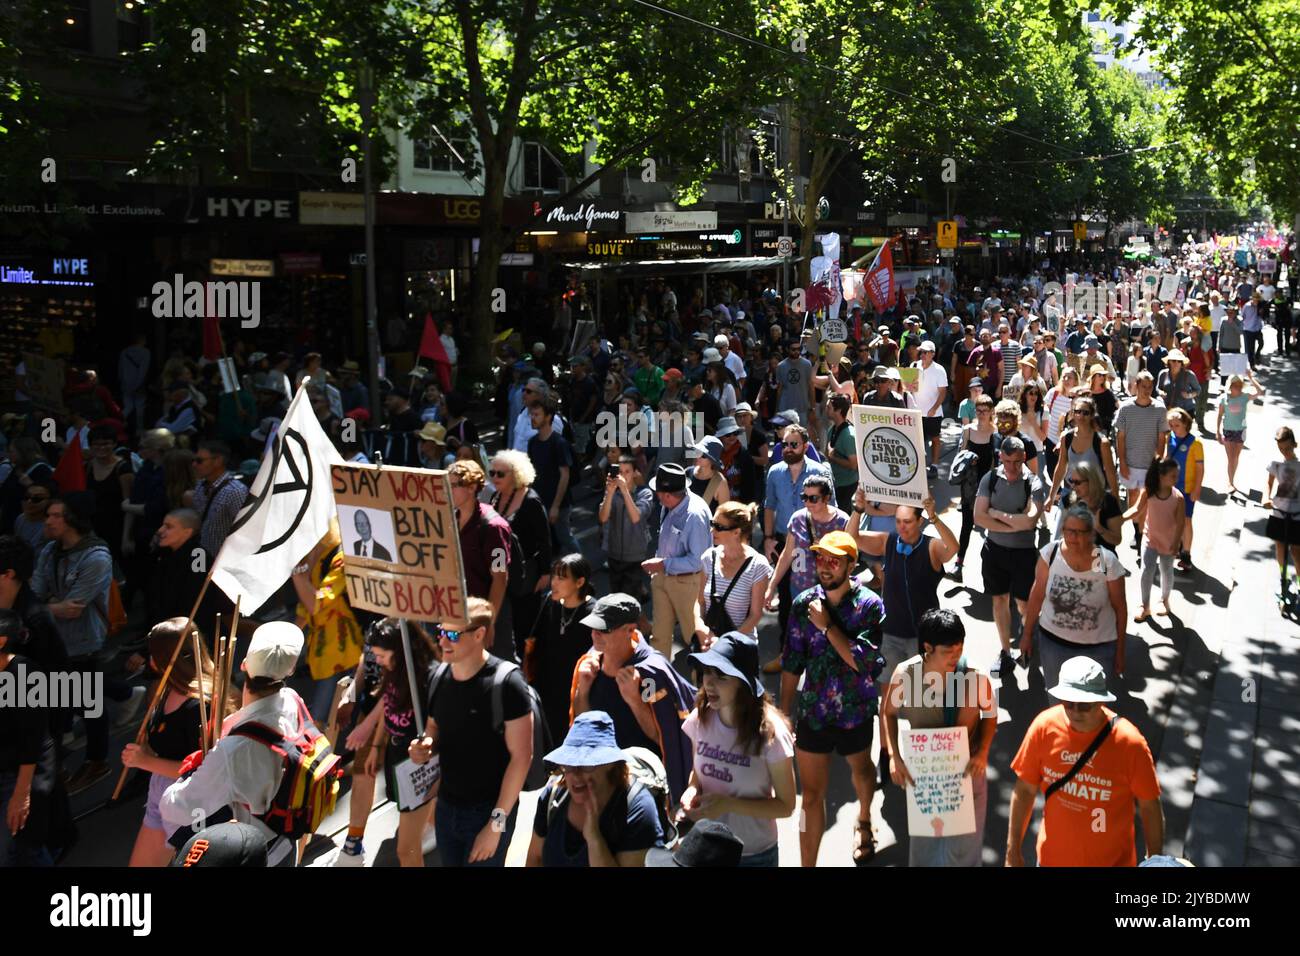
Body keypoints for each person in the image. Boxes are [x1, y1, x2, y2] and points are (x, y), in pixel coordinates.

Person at [159, 622, 317, 867]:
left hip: (250, 856)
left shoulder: (233, 750)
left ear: (244, 664)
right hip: (286, 844)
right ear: (291, 669)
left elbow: (177, 807)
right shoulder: (293, 701)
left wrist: (185, 778)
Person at [780, 531, 886, 866]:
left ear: (850, 564)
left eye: (834, 561)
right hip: (814, 713)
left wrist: (826, 626)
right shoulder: (802, 605)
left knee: (863, 772)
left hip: (855, 711)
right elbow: (792, 662)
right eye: (821, 559)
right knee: (810, 797)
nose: (825, 567)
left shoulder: (870, 605)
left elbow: (862, 662)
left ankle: (865, 819)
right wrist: (784, 714)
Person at [407, 597, 533, 866]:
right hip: (447, 808)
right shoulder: (438, 676)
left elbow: (522, 759)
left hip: (487, 812)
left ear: (479, 634)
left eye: (452, 634)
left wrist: (495, 827)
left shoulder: (507, 684)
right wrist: (425, 747)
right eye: (441, 632)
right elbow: (433, 728)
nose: (442, 642)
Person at [1007, 657, 1163, 867]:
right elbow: (1024, 790)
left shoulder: (1130, 743)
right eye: (1068, 703)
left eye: (1084, 705)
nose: (1075, 712)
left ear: (1101, 701)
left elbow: (1150, 806)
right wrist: (1012, 852)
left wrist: (1155, 861)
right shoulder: (1044, 727)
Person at [879, 609, 996, 867]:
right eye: (947, 652)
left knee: (965, 850)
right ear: (927, 647)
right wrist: (894, 758)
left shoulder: (976, 677)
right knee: (925, 847)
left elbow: (990, 715)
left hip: (968, 771)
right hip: (926, 775)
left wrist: (983, 752)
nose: (956, 656)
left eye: (959, 648)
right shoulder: (905, 674)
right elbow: (888, 713)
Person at [121, 618, 237, 867]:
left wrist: (145, 760)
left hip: (191, 801)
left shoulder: (200, 705)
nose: (148, 660)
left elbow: (202, 769)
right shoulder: (166, 688)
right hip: (159, 792)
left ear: (166, 659)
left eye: (152, 653)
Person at [679, 633, 796, 866]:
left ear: (743, 683)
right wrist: (692, 790)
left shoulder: (772, 733)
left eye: (721, 676)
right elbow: (698, 773)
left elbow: (786, 806)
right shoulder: (700, 718)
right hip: (707, 848)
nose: (709, 683)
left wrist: (729, 804)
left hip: (754, 855)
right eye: (707, 673)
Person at [31, 493, 120, 793]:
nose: (48, 520)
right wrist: (51, 606)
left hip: (82, 644)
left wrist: (47, 606)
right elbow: (35, 593)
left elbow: (73, 608)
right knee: (58, 703)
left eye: (56, 515)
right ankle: (58, 761)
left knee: (90, 705)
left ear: (72, 521)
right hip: (53, 643)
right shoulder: (49, 551)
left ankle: (97, 761)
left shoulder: (95, 557)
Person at [570, 593, 697, 801]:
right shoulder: (591, 661)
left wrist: (634, 700)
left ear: (630, 630)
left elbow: (662, 736)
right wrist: (582, 691)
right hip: (600, 777)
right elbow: (583, 725)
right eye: (594, 627)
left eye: (604, 629)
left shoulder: (649, 676)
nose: (595, 635)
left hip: (641, 783)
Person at [525, 710, 666, 867]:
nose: (576, 774)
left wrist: (594, 838)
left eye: (587, 765)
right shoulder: (551, 797)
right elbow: (534, 858)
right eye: (569, 763)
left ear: (611, 764)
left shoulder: (638, 809)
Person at [854, 492, 959, 690]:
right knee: (888, 694)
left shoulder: (931, 546)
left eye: (908, 522)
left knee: (922, 696)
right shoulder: (890, 541)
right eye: (898, 521)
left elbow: (953, 548)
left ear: (920, 521)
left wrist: (934, 517)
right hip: (891, 633)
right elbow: (852, 537)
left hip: (921, 637)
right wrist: (858, 509)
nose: (901, 527)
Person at [358, 618, 438, 867]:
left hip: (418, 763)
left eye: (382, 655)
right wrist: (376, 747)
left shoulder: (429, 678)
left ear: (401, 651)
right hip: (397, 756)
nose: (378, 661)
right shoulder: (394, 671)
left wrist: (427, 746)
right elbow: (388, 707)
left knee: (406, 850)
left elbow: (438, 727)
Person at [1021, 505, 1128, 688]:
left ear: (1091, 534)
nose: (1073, 537)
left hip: (1098, 649)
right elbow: (1037, 596)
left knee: (1091, 710)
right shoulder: (1050, 554)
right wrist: (1027, 634)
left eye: (1079, 532)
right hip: (1053, 645)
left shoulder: (1105, 561)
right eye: (1069, 531)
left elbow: (1120, 609)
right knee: (1058, 702)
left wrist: (1119, 651)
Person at [975, 436, 1046, 675]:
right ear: (1000, 458)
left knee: (1024, 604)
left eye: (1016, 462)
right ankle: (1006, 652)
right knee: (999, 601)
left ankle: (1026, 644)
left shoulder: (1033, 483)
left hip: (1024, 554)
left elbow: (1031, 520)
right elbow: (978, 516)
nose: (1011, 467)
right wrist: (1014, 524)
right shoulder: (990, 478)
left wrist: (996, 514)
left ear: (1024, 458)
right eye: (1006, 461)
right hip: (995, 551)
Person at [762, 425, 832, 667]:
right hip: (784, 540)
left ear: (805, 446)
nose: (788, 448)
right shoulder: (774, 472)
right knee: (786, 598)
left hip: (815, 545)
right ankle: (787, 652)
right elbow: (769, 506)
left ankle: (818, 651)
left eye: (793, 444)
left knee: (818, 597)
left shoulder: (820, 472)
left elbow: (830, 508)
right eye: (784, 444)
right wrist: (768, 537)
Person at [0, 607, 58, 866]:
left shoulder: (23, 675)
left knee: (23, 849)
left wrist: (21, 795)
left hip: (19, 776)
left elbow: (31, 740)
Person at [291, 520, 364, 724]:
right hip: (321, 649)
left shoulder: (342, 555)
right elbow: (306, 608)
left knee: (322, 716)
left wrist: (297, 577)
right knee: (329, 714)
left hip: (344, 650)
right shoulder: (311, 550)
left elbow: (315, 603)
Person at [642, 462, 711, 660]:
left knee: (695, 637)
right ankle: (659, 682)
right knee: (659, 636)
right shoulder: (670, 505)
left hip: (687, 584)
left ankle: (702, 686)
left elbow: (698, 561)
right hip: (663, 577)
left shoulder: (694, 516)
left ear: (667, 495)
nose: (657, 496)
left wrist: (662, 564)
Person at [488, 449, 553, 658]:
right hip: (502, 573)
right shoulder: (495, 497)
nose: (495, 477)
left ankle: (529, 667)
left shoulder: (531, 500)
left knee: (526, 626)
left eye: (500, 474)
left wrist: (545, 573)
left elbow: (544, 538)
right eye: (492, 472)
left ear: (515, 474)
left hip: (527, 575)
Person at [523, 553, 595, 738]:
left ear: (579, 582)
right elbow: (534, 640)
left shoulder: (593, 613)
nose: (554, 582)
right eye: (553, 576)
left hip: (574, 690)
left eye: (561, 578)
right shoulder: (550, 602)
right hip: (546, 686)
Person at [449, 460, 514, 660]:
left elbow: (500, 578)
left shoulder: (494, 527)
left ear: (471, 488)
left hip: (488, 615)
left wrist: (489, 622)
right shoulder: (451, 518)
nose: (447, 490)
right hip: (461, 614)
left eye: (453, 486)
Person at [696, 502, 772, 649]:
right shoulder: (708, 557)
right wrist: (701, 628)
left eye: (718, 527)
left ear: (736, 532)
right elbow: (700, 602)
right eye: (712, 523)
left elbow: (755, 615)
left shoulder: (758, 565)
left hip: (739, 647)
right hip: (707, 645)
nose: (712, 530)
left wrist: (725, 643)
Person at [1124, 458, 1184, 622]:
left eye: (1176, 476)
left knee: (1166, 571)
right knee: (1146, 571)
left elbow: (1180, 524)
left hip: (1168, 542)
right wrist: (1120, 519)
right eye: (1172, 476)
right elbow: (1136, 509)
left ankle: (1164, 600)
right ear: (1161, 476)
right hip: (1150, 539)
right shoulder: (1148, 491)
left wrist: (1177, 543)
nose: (1176, 479)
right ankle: (1145, 605)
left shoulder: (1178, 498)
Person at [1114, 372, 1169, 548]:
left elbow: (1162, 439)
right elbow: (1120, 437)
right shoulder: (1125, 408)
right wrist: (1122, 462)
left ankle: (1142, 532)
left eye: (1150, 387)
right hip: (1130, 462)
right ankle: (1137, 531)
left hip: (1150, 464)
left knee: (1146, 500)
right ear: (1136, 385)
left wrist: (1158, 464)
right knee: (1133, 496)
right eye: (1143, 386)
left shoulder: (1160, 409)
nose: (1147, 390)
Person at [599, 453, 653, 616]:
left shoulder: (644, 493)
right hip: (614, 555)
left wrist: (624, 490)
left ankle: (633, 632)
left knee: (627, 604)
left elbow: (636, 516)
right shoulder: (612, 493)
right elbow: (603, 517)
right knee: (618, 599)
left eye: (627, 471)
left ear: (636, 473)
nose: (622, 476)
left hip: (634, 558)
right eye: (619, 471)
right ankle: (642, 624)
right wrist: (609, 492)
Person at [1046, 396, 1119, 509]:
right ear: (1073, 413)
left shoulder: (1102, 442)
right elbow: (1061, 467)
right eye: (1077, 412)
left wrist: (1115, 499)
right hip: (1070, 492)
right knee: (1060, 526)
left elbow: (1110, 472)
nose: (1081, 416)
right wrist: (1051, 497)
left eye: (1085, 413)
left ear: (1092, 415)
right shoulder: (1067, 437)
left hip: (1094, 496)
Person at [954, 393, 996, 578]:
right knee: (966, 524)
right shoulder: (968, 430)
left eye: (985, 411)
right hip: (969, 485)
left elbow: (996, 462)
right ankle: (959, 563)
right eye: (978, 410)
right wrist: (966, 461)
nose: (981, 414)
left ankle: (992, 567)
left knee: (991, 526)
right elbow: (960, 456)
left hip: (988, 485)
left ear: (991, 412)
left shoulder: (995, 433)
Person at [191, 440, 248, 557]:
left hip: (220, 560)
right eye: (194, 460)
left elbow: (245, 530)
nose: (194, 465)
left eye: (199, 461)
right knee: (196, 574)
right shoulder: (200, 485)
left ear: (218, 461)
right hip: (199, 556)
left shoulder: (235, 491)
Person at [1265, 426, 1300, 602]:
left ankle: (1299, 583)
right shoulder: (1275, 464)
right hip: (1279, 512)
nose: (1284, 452)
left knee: (1296, 551)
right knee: (1280, 547)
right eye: (1281, 449)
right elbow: (1269, 482)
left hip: (1296, 515)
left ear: (1294, 445)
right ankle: (1283, 579)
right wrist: (1266, 497)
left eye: (1287, 448)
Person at [1165, 408, 1203, 571]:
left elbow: (1200, 469)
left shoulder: (1195, 444)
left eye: (1177, 425)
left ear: (1186, 423)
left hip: (1187, 489)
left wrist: (1196, 489)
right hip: (1171, 488)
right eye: (1171, 425)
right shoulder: (1169, 438)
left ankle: (1186, 553)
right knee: (1172, 520)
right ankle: (1176, 548)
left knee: (1186, 520)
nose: (1174, 428)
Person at [1216, 374, 1264, 496]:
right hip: (1228, 431)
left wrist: (1251, 377)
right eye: (1235, 385)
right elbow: (1220, 415)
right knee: (1230, 458)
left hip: (1241, 431)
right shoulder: (1224, 398)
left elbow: (1260, 392)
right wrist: (1217, 431)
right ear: (1230, 386)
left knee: (1236, 457)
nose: (1238, 387)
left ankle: (1232, 479)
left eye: (1240, 385)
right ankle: (1230, 483)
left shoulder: (1244, 397)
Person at [914, 341, 949, 475]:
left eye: (926, 352)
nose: (922, 355)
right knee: (918, 440)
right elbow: (908, 387)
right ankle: (919, 465)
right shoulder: (914, 366)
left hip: (933, 413)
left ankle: (934, 464)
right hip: (916, 412)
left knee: (935, 438)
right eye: (921, 352)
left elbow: (943, 392)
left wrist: (934, 408)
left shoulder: (939, 370)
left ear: (933, 354)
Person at [687, 436, 732, 510]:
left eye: (704, 455)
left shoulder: (720, 482)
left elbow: (724, 514)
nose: (698, 456)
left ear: (712, 460)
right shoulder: (687, 472)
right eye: (698, 452)